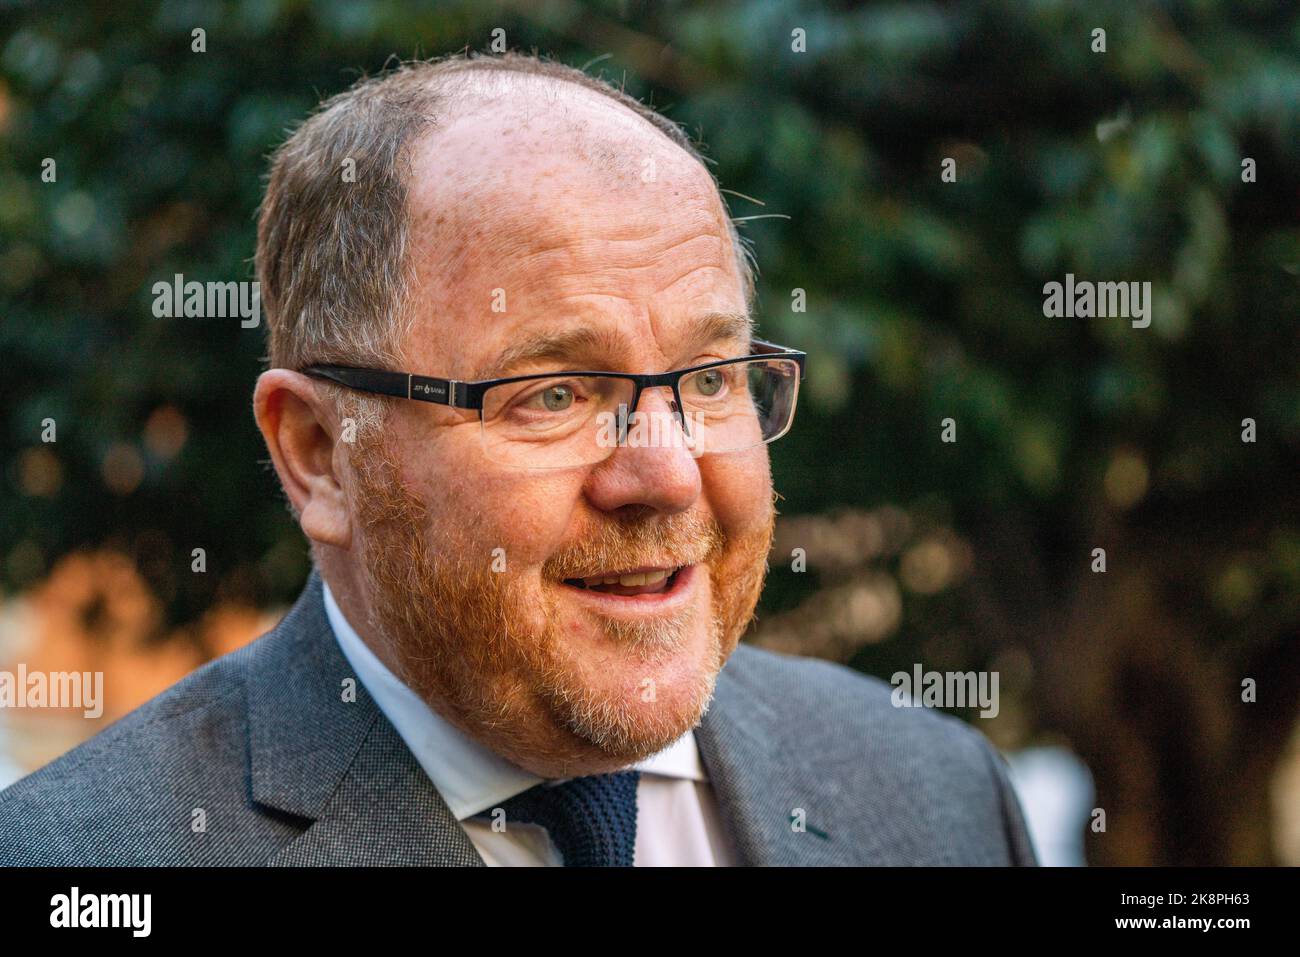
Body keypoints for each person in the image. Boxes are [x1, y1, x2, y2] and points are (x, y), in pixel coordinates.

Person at [0, 52, 1036, 866]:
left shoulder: (935, 794)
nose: (667, 474)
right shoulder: (80, 859)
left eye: (711, 377)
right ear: (319, 455)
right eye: (555, 394)